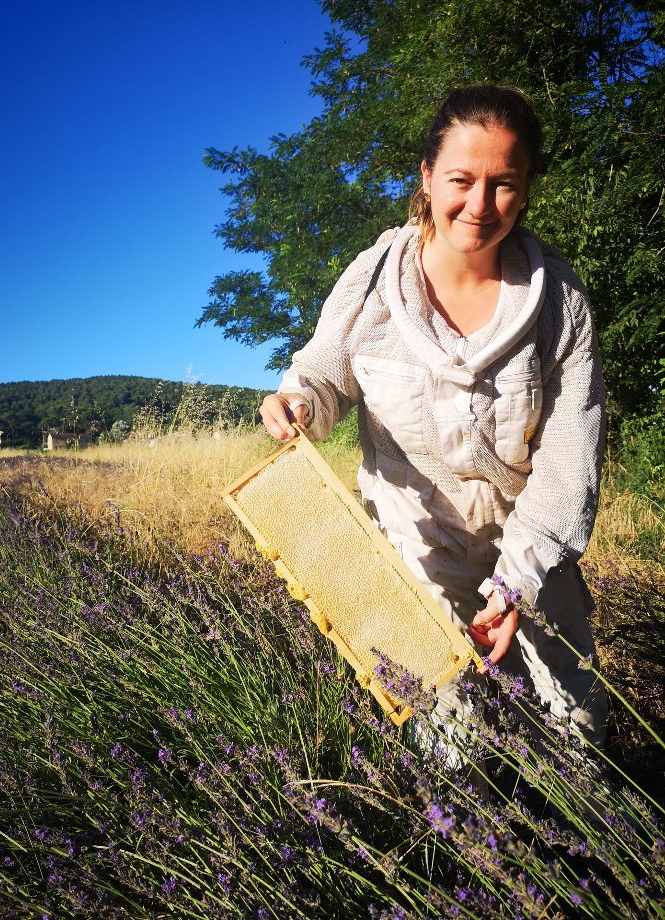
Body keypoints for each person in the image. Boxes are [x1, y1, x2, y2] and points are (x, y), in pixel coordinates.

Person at [259, 84, 607, 751]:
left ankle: (578, 857)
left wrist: (516, 583)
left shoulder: (563, 305)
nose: (478, 206)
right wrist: (298, 400)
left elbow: (569, 467)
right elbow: (324, 371)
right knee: (453, 739)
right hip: (413, 546)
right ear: (426, 177)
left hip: (530, 543)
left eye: (503, 183)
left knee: (572, 729)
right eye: (460, 179)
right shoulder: (372, 279)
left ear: (528, 187)